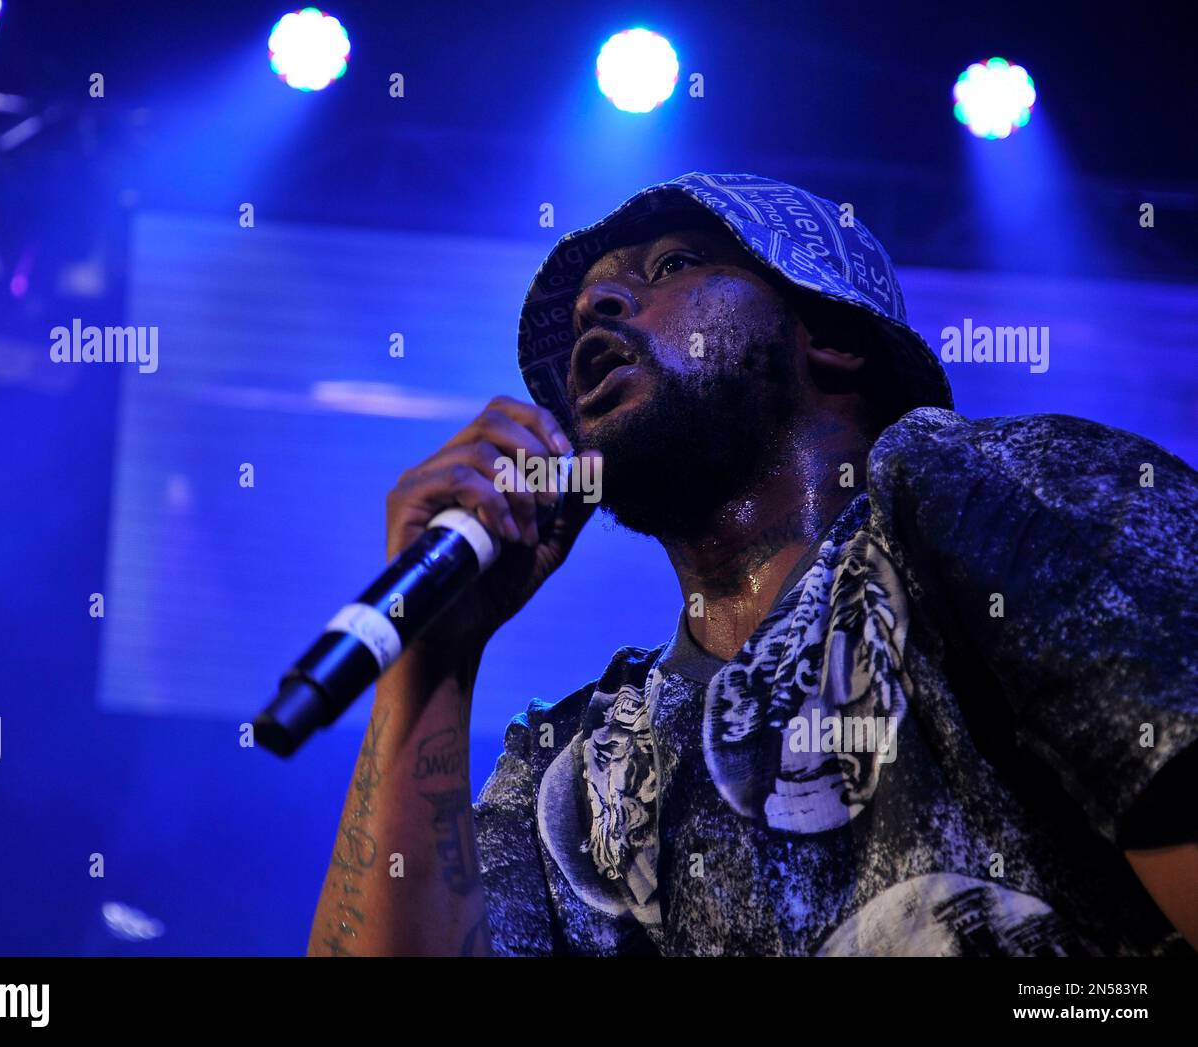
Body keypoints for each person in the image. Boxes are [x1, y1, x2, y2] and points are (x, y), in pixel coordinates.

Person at [308, 172, 1198, 956]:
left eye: (671, 267)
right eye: (587, 310)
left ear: (833, 334)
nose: (598, 311)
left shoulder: (988, 492)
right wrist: (431, 659)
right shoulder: (574, 769)